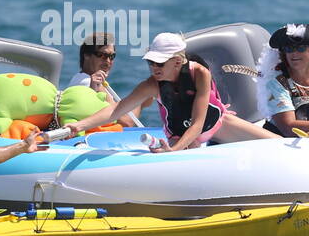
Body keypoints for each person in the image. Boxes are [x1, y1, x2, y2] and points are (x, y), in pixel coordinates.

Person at [64, 32, 278, 152]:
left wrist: (174, 152)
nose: (154, 68)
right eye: (151, 62)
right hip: (179, 138)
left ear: (177, 62)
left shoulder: (201, 74)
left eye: (159, 63)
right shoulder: (152, 84)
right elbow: (117, 110)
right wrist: (79, 126)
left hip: (218, 126)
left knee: (276, 146)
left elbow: (197, 123)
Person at [67, 32, 148, 128]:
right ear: (87, 55)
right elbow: (125, 122)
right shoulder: (89, 83)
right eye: (102, 55)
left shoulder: (79, 78)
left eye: (112, 56)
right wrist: (142, 98)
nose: (108, 61)